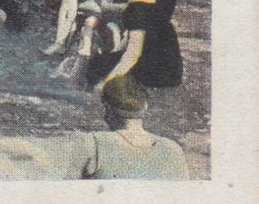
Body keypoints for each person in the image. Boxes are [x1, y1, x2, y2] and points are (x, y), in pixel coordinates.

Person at [60, 74, 189, 180]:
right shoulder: (172, 150)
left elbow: (69, 197)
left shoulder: (91, 144)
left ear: (106, 108)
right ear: (145, 107)